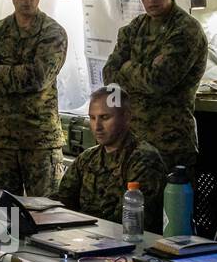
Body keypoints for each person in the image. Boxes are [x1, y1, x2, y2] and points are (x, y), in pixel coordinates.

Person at [101, 0, 208, 175]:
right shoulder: (134, 28)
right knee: (134, 206)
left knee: (170, 207)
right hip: (134, 142)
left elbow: (158, 81)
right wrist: (143, 71)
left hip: (170, 145)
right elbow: (109, 76)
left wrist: (128, 66)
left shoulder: (186, 29)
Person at [0, 0, 68, 196]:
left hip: (40, 141)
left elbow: (38, 78)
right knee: (3, 217)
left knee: (48, 214)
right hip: (2, 141)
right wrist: (13, 74)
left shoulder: (53, 32)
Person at [57, 86, 166, 231]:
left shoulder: (144, 160)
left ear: (126, 117)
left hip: (127, 243)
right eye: (92, 118)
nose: (97, 126)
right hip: (87, 238)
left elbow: (134, 222)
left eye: (105, 117)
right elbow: (62, 200)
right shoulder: (87, 158)